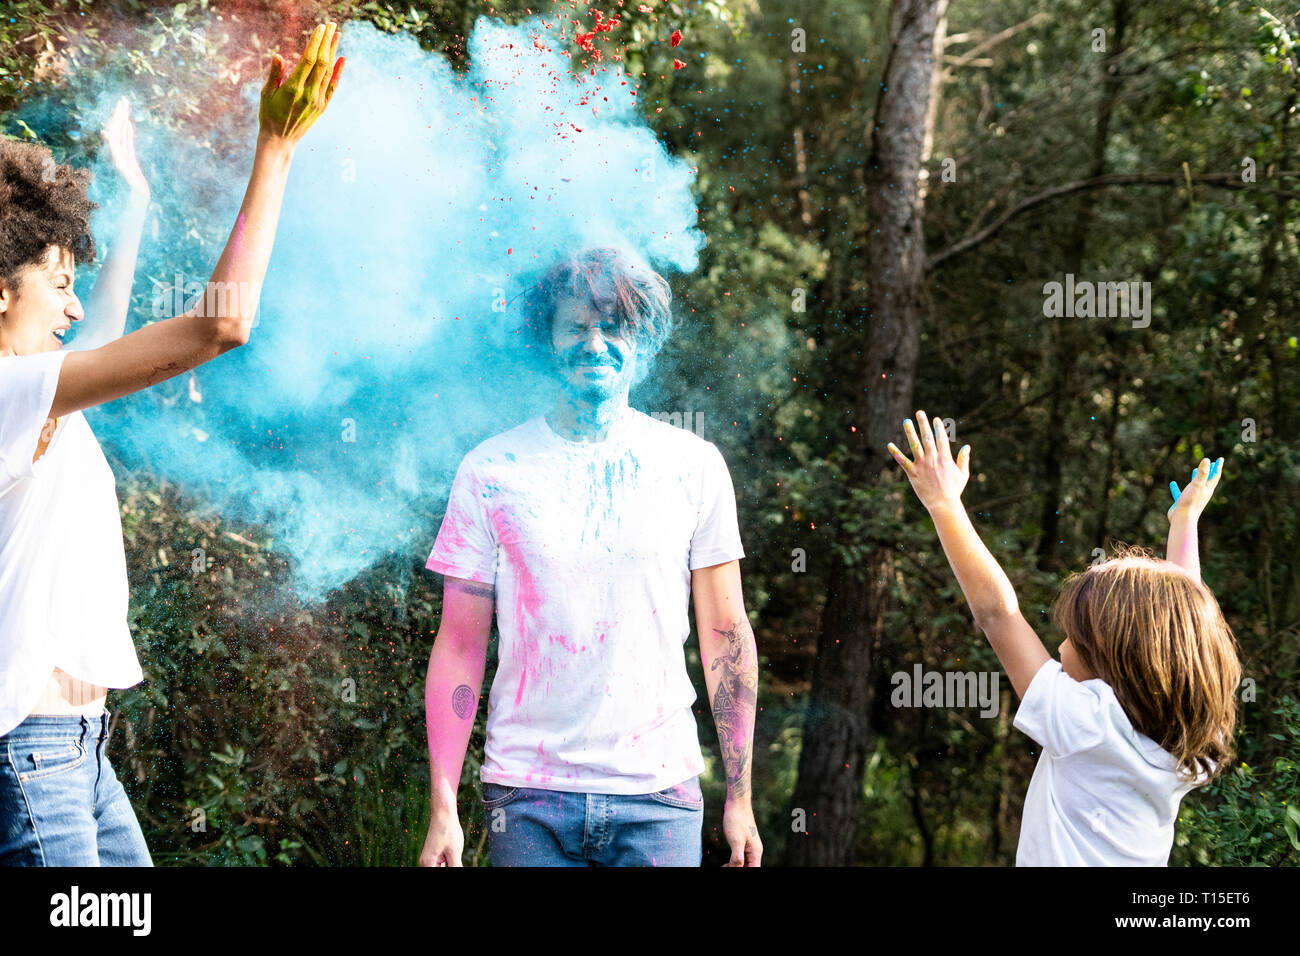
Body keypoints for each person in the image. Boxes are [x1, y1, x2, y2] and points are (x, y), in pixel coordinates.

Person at [0, 22, 345, 866]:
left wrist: (137, 198)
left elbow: (106, 329)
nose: (74, 307)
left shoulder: (41, 395)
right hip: (31, 749)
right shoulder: (10, 392)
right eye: (58, 284)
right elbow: (219, 326)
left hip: (77, 748)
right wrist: (276, 150)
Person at [419, 247, 763, 867]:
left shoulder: (694, 466)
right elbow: (460, 645)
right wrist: (444, 805)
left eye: (613, 326)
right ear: (547, 342)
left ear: (644, 340)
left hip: (659, 795)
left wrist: (740, 797)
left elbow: (725, 635)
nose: (594, 343)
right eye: (575, 326)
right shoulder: (490, 470)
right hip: (527, 796)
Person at [887, 410, 1240, 866]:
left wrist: (944, 504)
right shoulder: (1191, 745)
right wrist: (1185, 523)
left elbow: (997, 614)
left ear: (1114, 660)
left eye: (1074, 638)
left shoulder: (1085, 724)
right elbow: (1182, 632)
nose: (1058, 647)